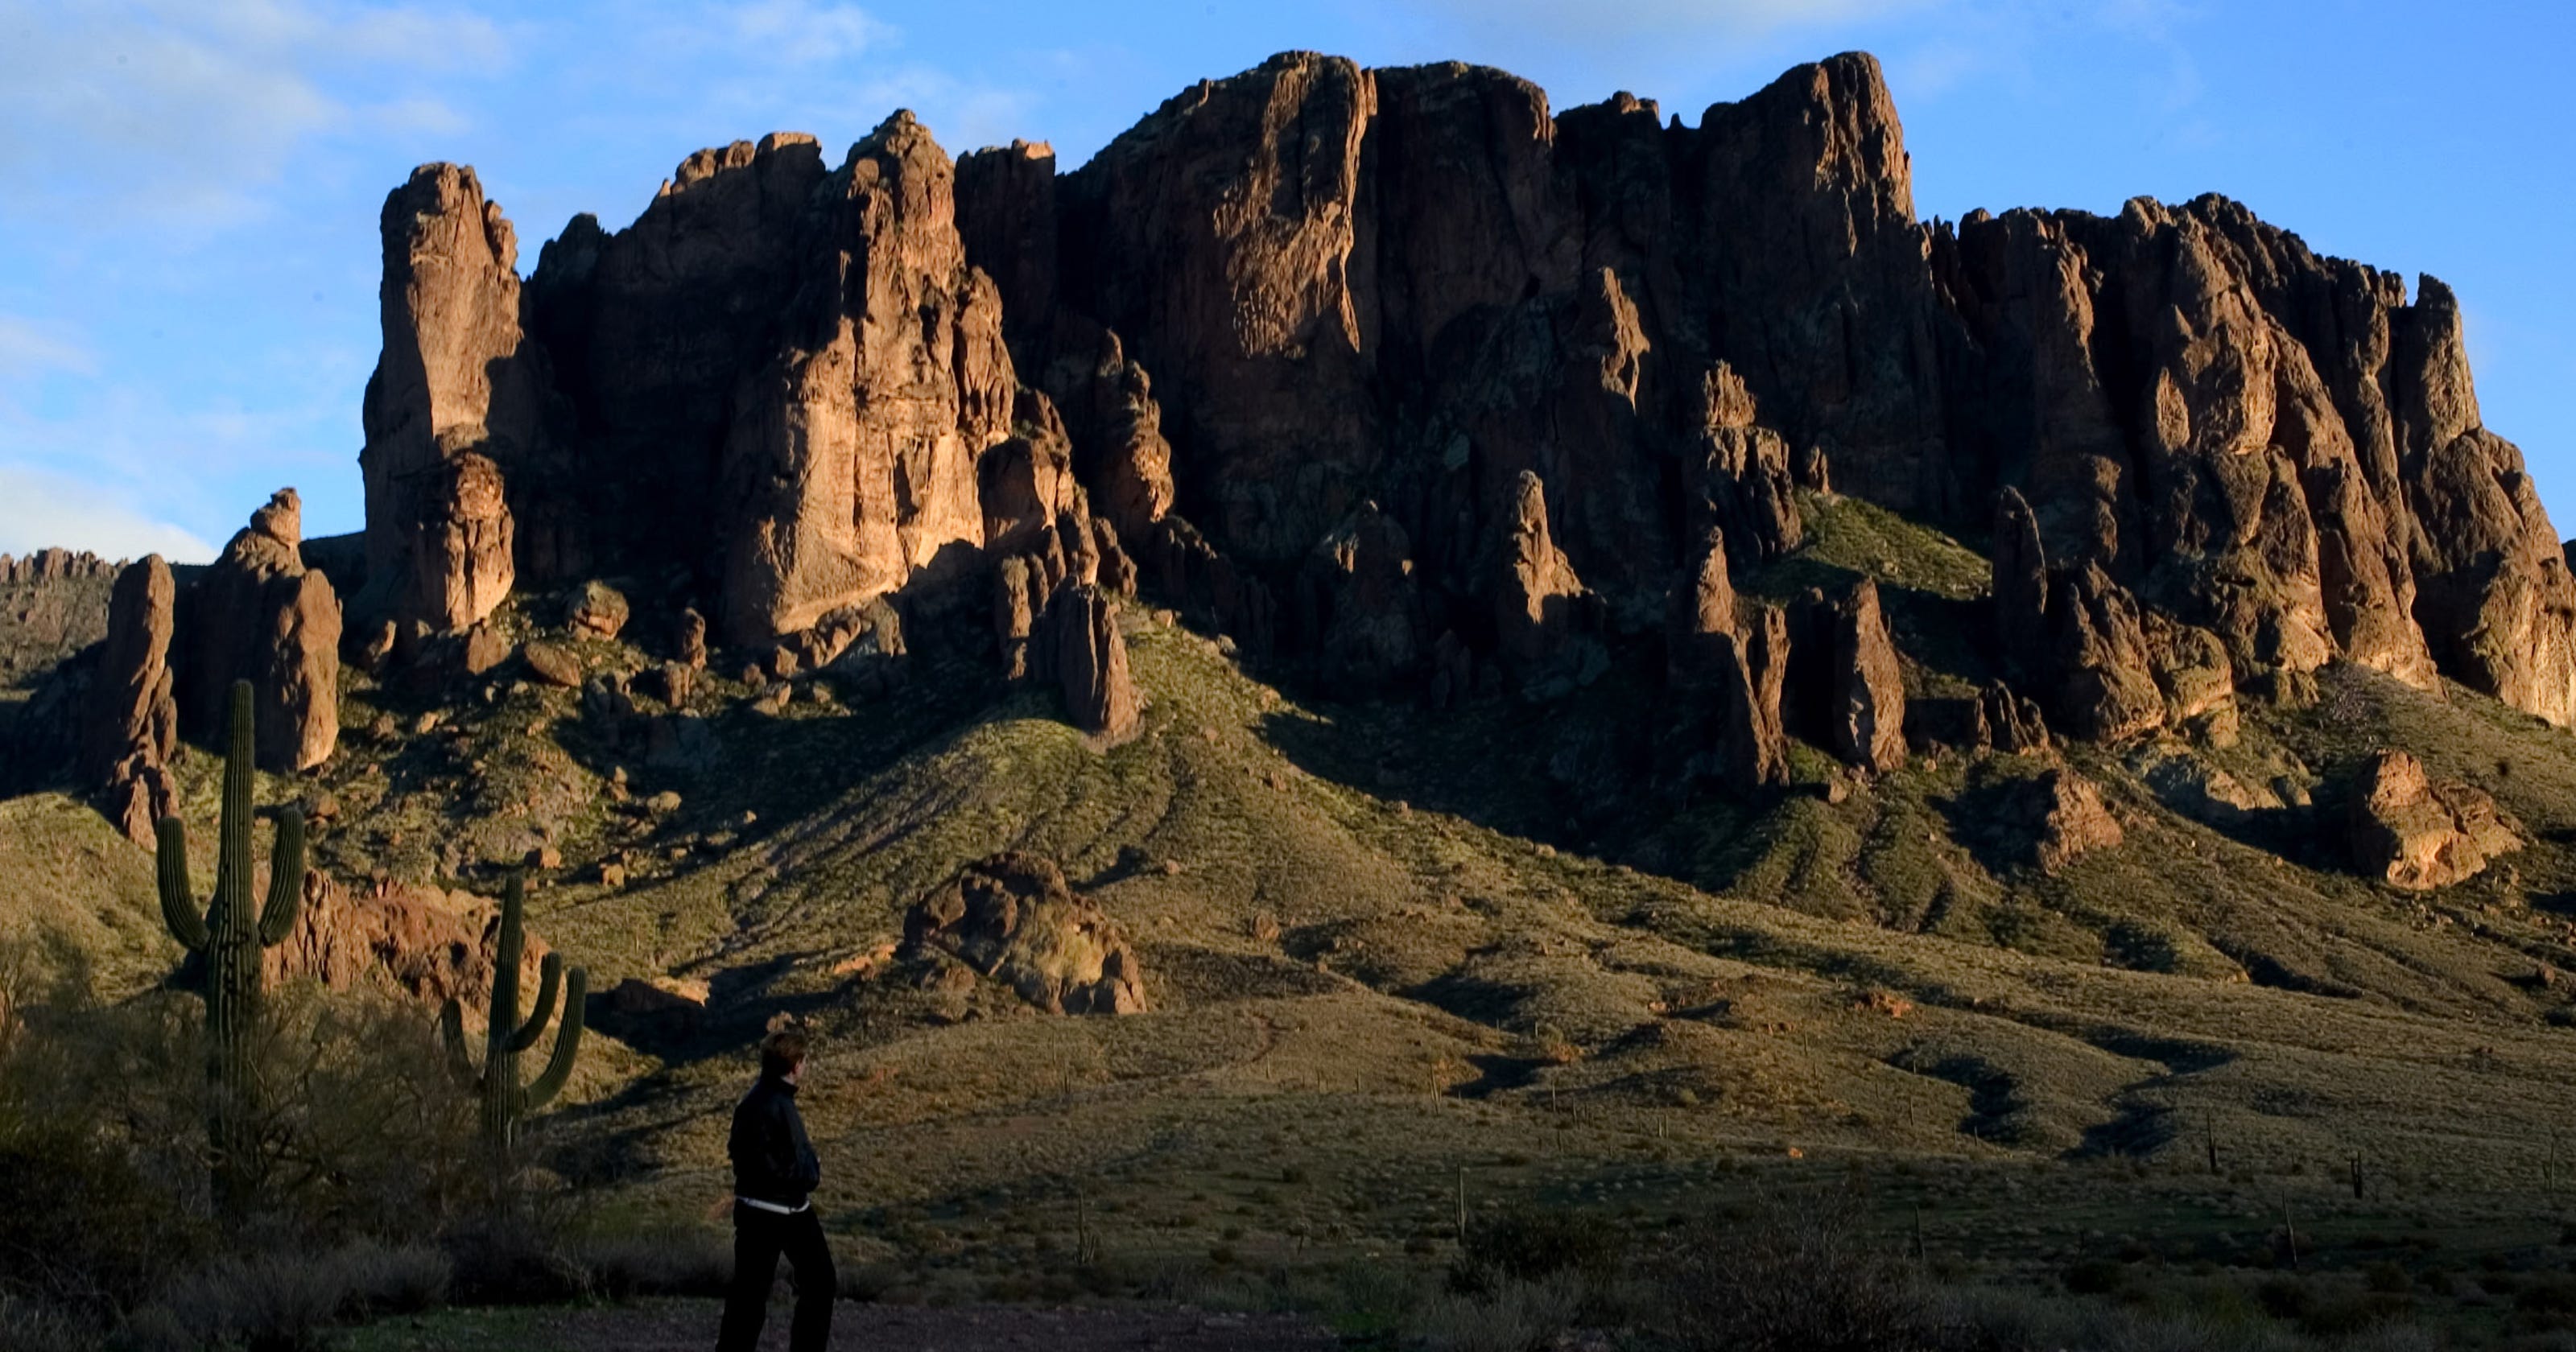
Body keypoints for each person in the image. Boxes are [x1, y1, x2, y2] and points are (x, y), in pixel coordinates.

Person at [716, 1025, 835, 1352]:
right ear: (796, 1065)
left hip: (755, 1208)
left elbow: (742, 1154)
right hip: (785, 1210)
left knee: (748, 1297)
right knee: (821, 1283)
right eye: (805, 1061)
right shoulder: (780, 1105)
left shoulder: (753, 1100)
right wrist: (811, 1170)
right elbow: (792, 1164)